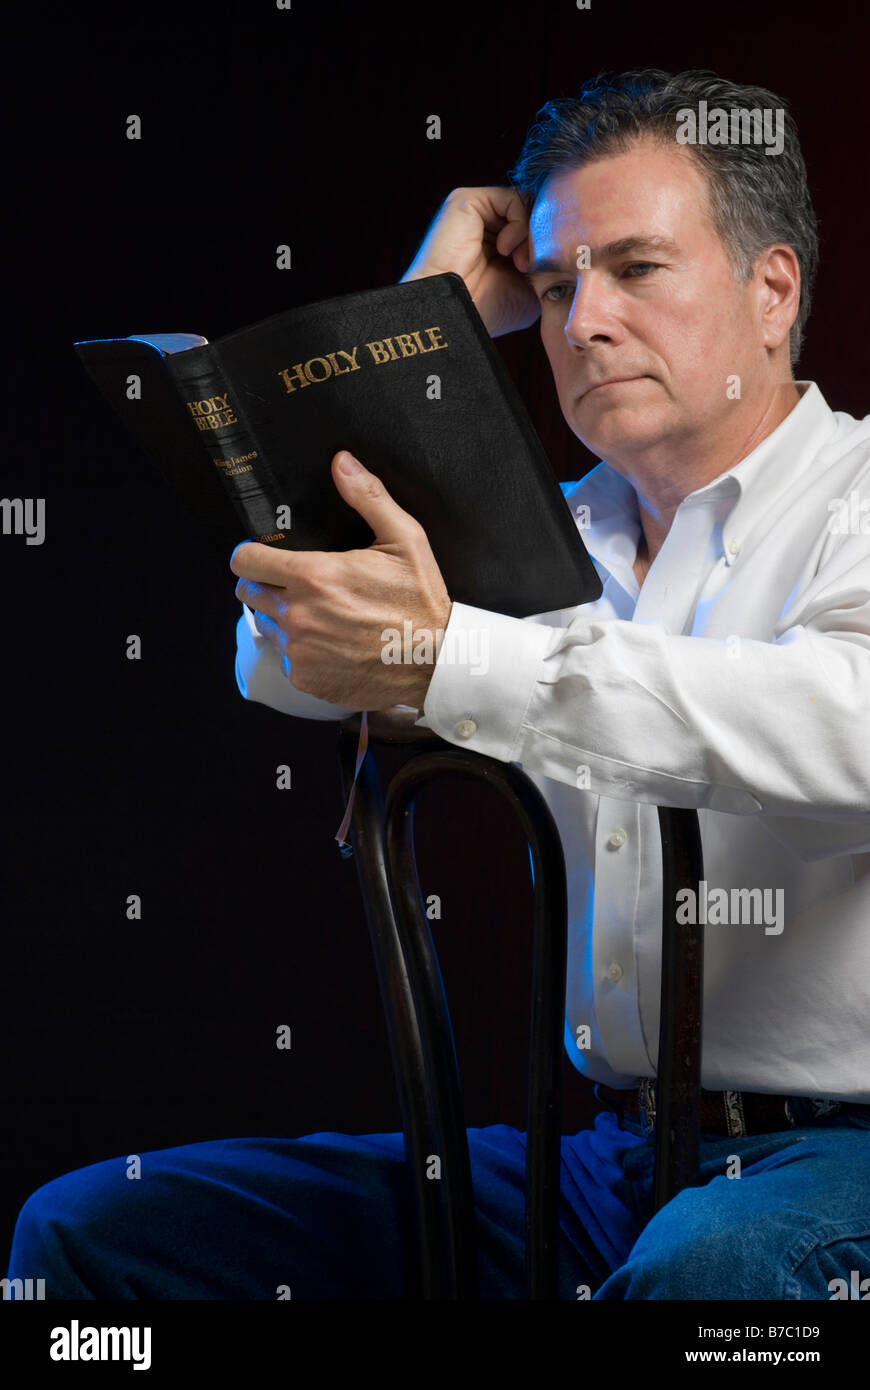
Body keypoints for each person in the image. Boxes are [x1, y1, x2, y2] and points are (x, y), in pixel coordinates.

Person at [6, 67, 870, 1301]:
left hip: (839, 1163)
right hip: (610, 1163)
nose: (582, 322)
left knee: (713, 1274)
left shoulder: (862, 498)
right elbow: (282, 663)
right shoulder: (549, 538)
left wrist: (453, 651)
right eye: (561, 283)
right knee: (91, 1237)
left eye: (637, 269)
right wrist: (416, 329)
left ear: (771, 288)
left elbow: (843, 731)